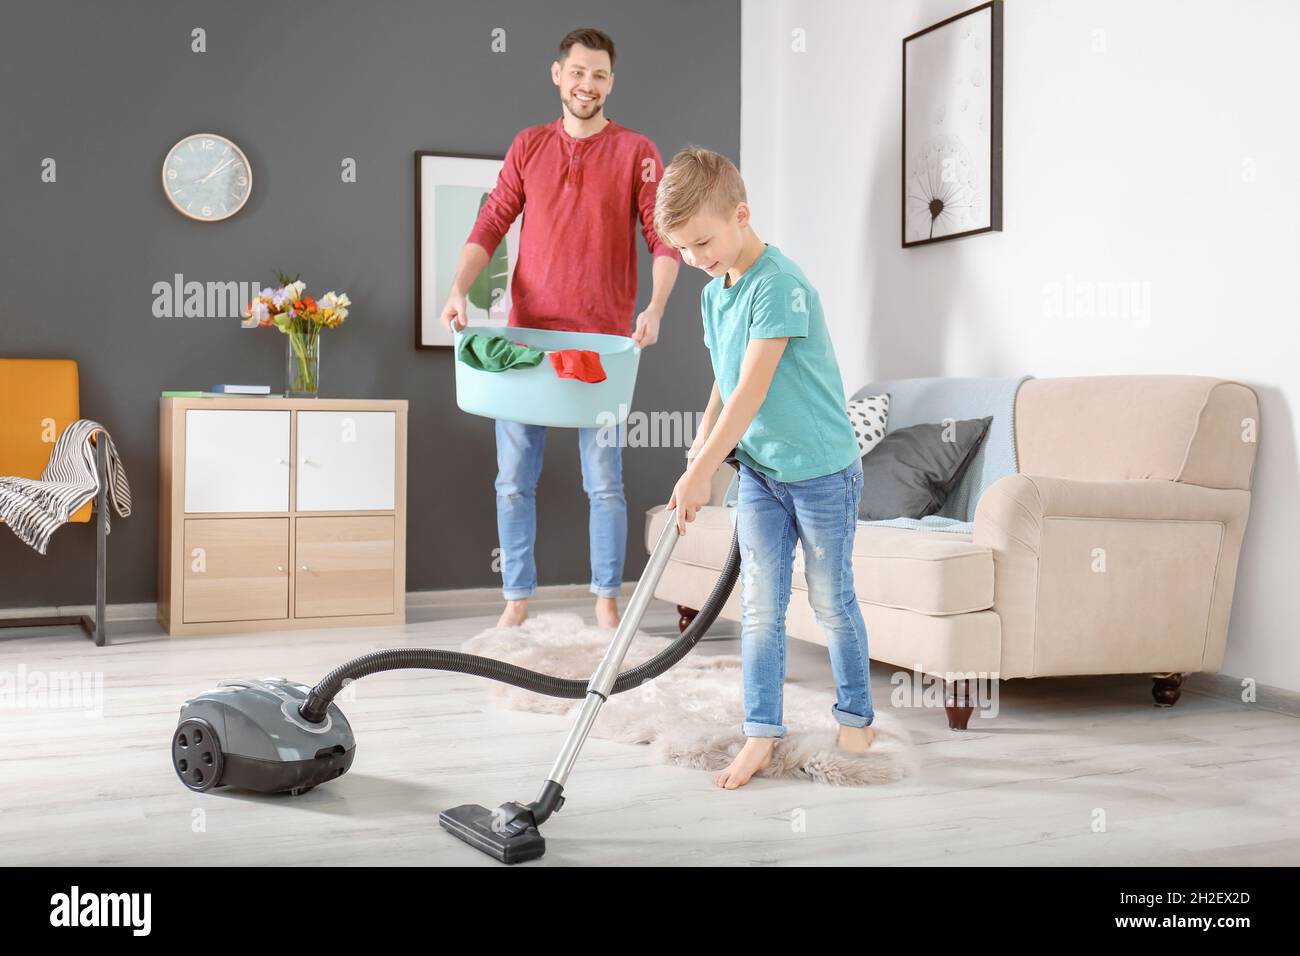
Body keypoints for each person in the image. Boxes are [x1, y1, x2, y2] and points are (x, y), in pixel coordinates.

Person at [441, 27, 681, 630]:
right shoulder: (528, 146)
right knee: (513, 480)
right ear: (558, 74)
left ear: (611, 82)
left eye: (599, 75)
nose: (587, 84)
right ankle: (516, 600)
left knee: (604, 482)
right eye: (578, 72)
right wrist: (457, 290)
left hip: (601, 344)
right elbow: (492, 220)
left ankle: (606, 599)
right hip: (526, 342)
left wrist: (654, 308)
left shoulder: (638, 151)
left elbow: (662, 235)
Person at [655, 147, 876, 790]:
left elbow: (754, 386)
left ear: (741, 215)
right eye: (683, 250)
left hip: (823, 472)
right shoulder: (713, 294)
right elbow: (723, 387)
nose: (695, 259)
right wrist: (699, 457)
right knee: (759, 606)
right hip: (760, 470)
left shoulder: (781, 285)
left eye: (702, 242)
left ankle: (857, 719)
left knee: (832, 602)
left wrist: (702, 477)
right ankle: (760, 734)